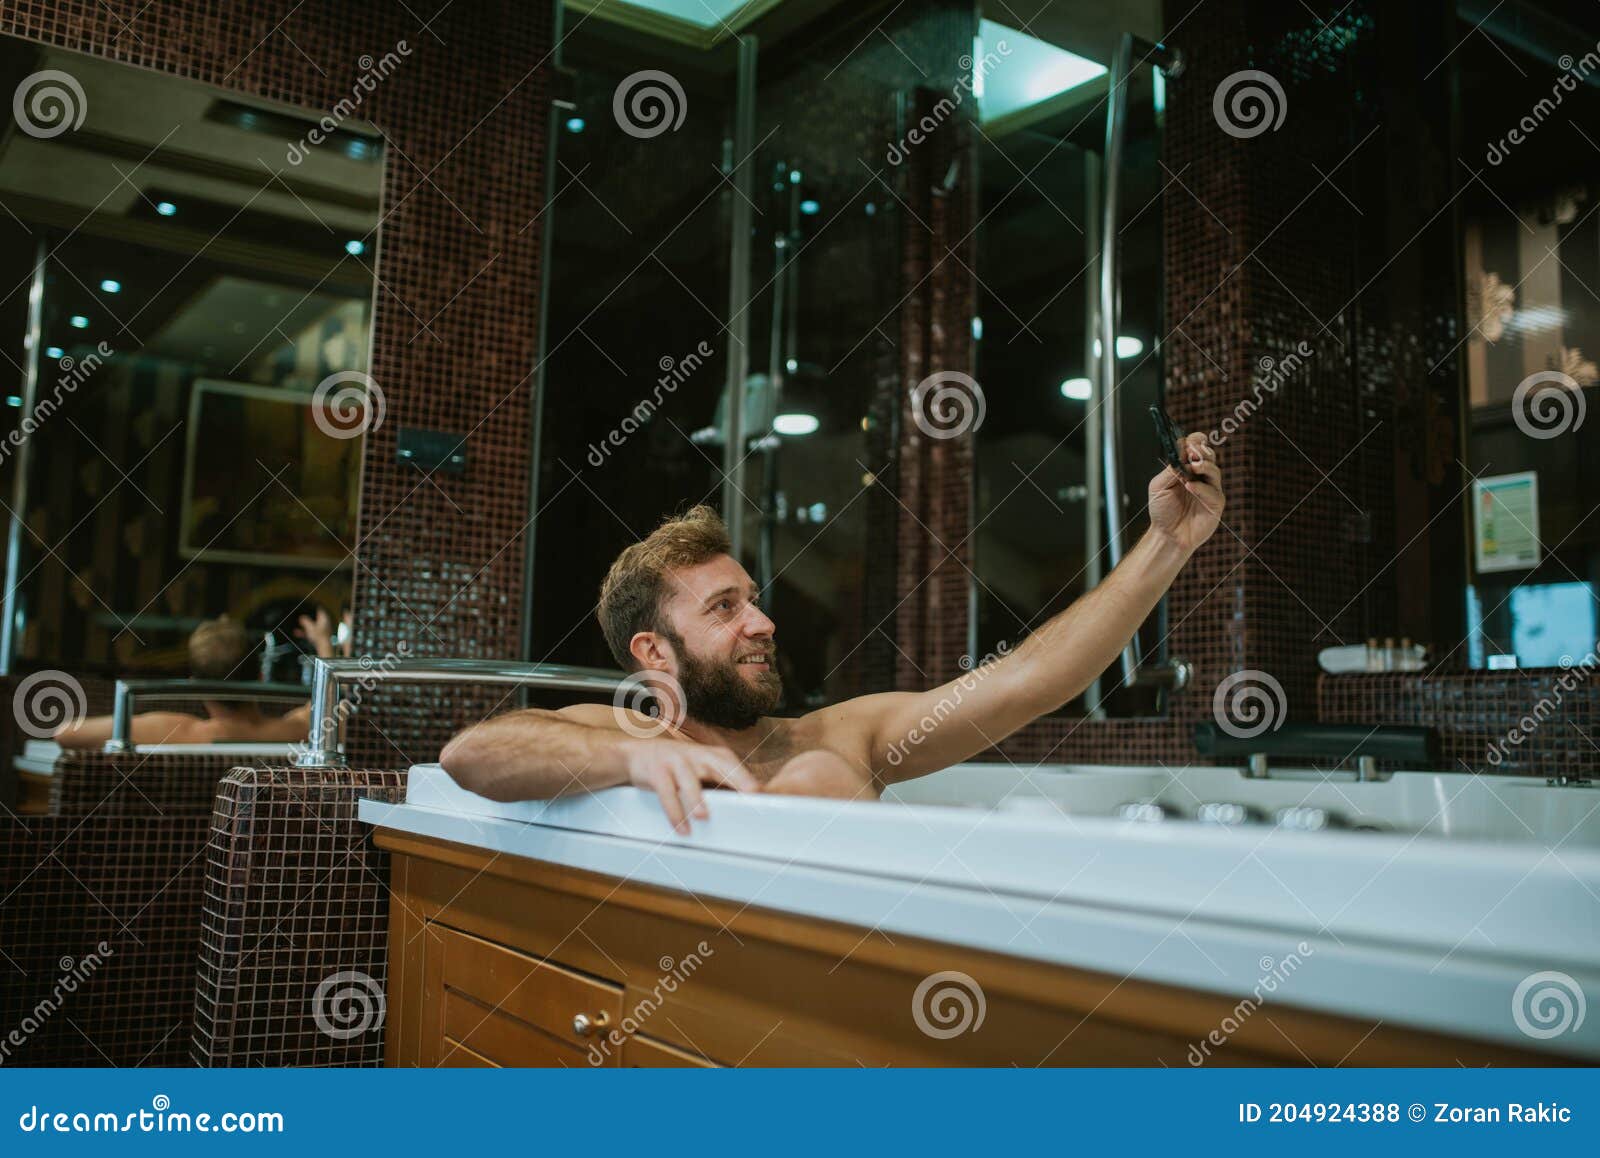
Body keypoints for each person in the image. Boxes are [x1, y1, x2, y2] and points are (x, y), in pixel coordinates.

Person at [440, 433, 1224, 832]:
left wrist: (1167, 545)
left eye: (754, 599)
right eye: (723, 609)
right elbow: (472, 754)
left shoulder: (844, 733)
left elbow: (1032, 677)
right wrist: (629, 761)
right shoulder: (620, 739)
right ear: (652, 651)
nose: (763, 622)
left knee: (819, 773)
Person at [53, 609, 345, 748]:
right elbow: (330, 703)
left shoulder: (178, 732)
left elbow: (65, 732)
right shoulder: (296, 730)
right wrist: (323, 642)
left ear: (197, 685)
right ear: (259, 675)